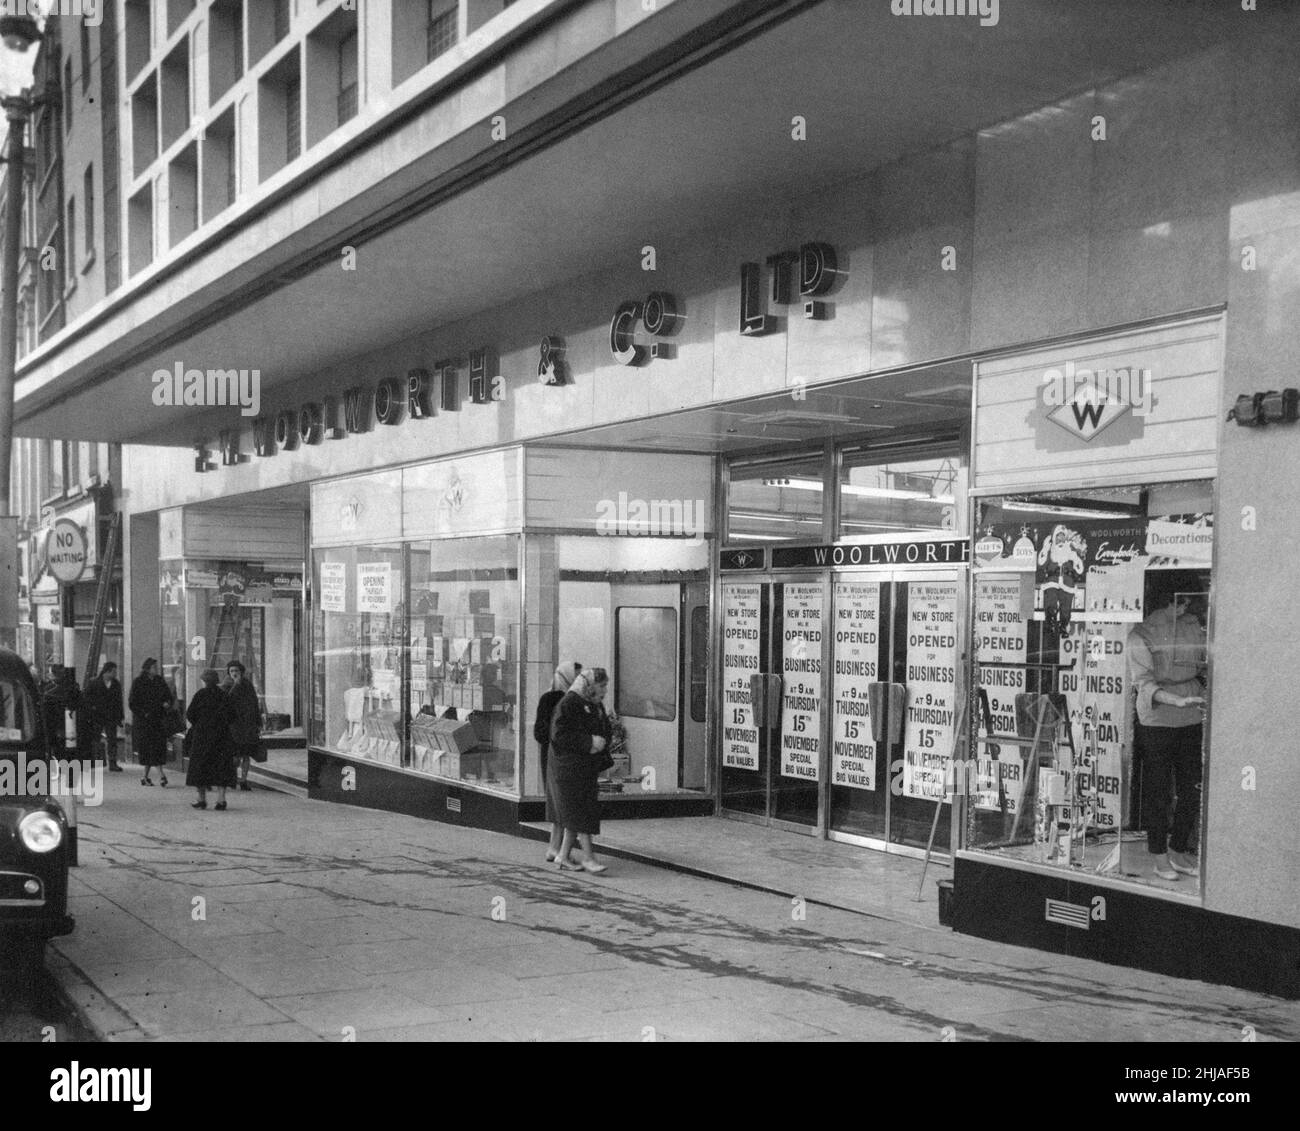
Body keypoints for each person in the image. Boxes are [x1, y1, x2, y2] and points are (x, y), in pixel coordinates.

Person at [1128, 572, 1207, 883]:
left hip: (1192, 714)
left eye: (1188, 600)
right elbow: (1144, 684)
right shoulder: (1141, 634)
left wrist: (1197, 691)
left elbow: (1204, 661)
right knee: (1159, 791)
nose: (1185, 606)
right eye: (1179, 600)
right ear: (1163, 600)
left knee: (1192, 788)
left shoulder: (1190, 625)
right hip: (1158, 719)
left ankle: (1178, 850)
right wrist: (1175, 700)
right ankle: (1159, 855)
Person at [549, 667, 613, 875]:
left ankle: (563, 855)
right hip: (569, 767)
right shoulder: (570, 703)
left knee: (577, 812)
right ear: (590, 684)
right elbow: (559, 736)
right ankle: (588, 857)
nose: (604, 690)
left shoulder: (594, 704)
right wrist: (590, 742)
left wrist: (601, 744)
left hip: (585, 766)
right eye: (601, 685)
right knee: (581, 811)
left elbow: (605, 729)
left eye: (606, 686)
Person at [533, 661, 582, 865]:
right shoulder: (559, 700)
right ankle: (559, 850)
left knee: (557, 802)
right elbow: (541, 732)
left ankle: (554, 847)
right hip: (560, 757)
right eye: (577, 676)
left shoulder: (551, 697)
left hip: (552, 755)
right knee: (564, 802)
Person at [185, 670, 235, 811]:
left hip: (202, 736)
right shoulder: (224, 695)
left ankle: (201, 798)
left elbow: (190, 714)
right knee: (221, 766)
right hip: (221, 736)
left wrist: (201, 723)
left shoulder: (200, 695)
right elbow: (232, 716)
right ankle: (221, 799)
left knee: (200, 767)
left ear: (205, 681)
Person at [129, 658, 174, 786]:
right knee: (150, 749)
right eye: (154, 667)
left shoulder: (159, 681)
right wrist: (144, 713)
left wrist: (167, 703)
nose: (157, 669)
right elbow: (132, 702)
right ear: (147, 669)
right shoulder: (138, 682)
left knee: (156, 748)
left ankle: (145, 777)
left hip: (158, 720)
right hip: (144, 722)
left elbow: (168, 695)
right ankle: (161, 776)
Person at [224, 661, 262, 792]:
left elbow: (254, 704)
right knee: (235, 756)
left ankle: (244, 780)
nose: (234, 673)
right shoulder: (227, 685)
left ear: (241, 672)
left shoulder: (248, 685)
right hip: (234, 726)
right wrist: (235, 685)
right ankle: (233, 778)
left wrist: (258, 723)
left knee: (246, 754)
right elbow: (226, 701)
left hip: (247, 725)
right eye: (232, 671)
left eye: (236, 671)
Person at [83, 662, 125, 773]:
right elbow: (86, 698)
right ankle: (92, 761)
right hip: (97, 716)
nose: (115, 673)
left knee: (112, 739)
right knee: (94, 739)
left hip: (111, 716)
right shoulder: (94, 683)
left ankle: (112, 763)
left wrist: (120, 717)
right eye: (114, 671)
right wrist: (91, 709)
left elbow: (119, 701)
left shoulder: (116, 684)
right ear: (107, 671)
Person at [39, 664, 81, 761]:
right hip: (67, 723)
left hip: (54, 724)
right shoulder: (73, 687)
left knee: (55, 745)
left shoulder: (48, 689)